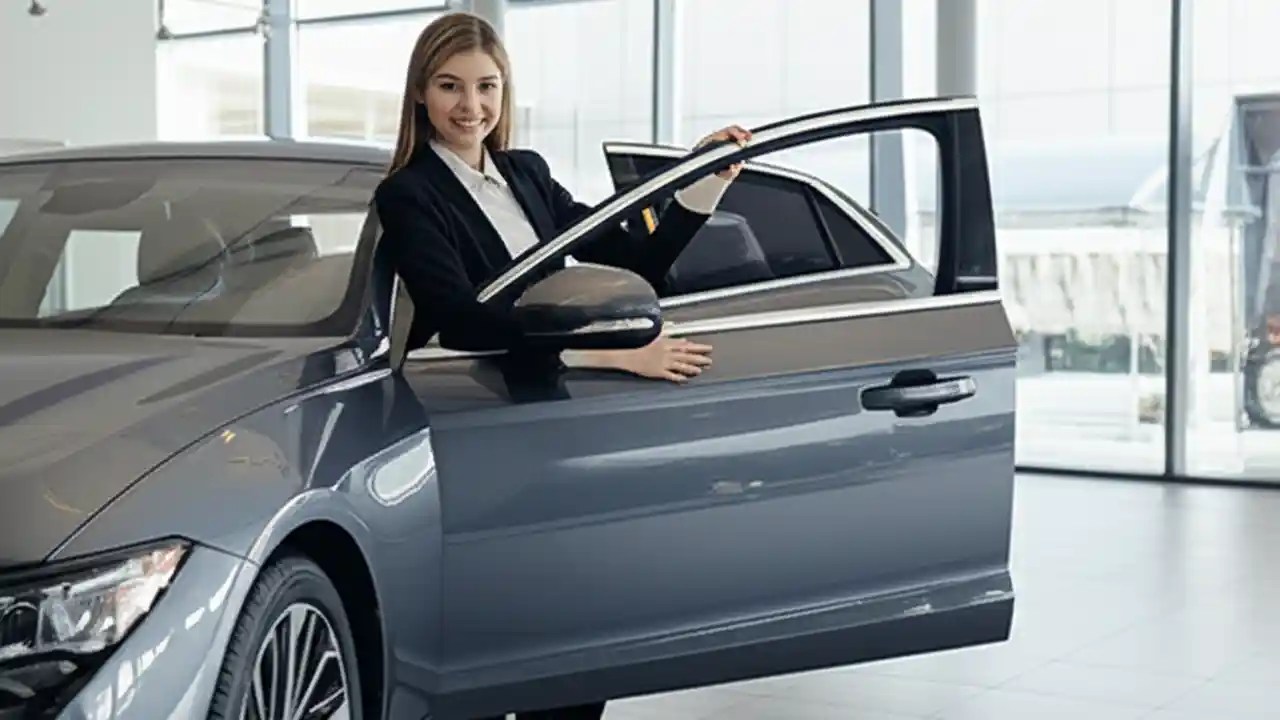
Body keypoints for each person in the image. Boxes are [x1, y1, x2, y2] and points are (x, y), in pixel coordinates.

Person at [374, 11, 750, 389]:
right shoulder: (407, 194)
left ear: (503, 89)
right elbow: (461, 323)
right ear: (420, 92)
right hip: (478, 392)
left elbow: (639, 264)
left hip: (547, 387)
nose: (471, 106)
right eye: (450, 86)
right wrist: (606, 354)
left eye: (486, 86)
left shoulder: (527, 172)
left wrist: (707, 177)